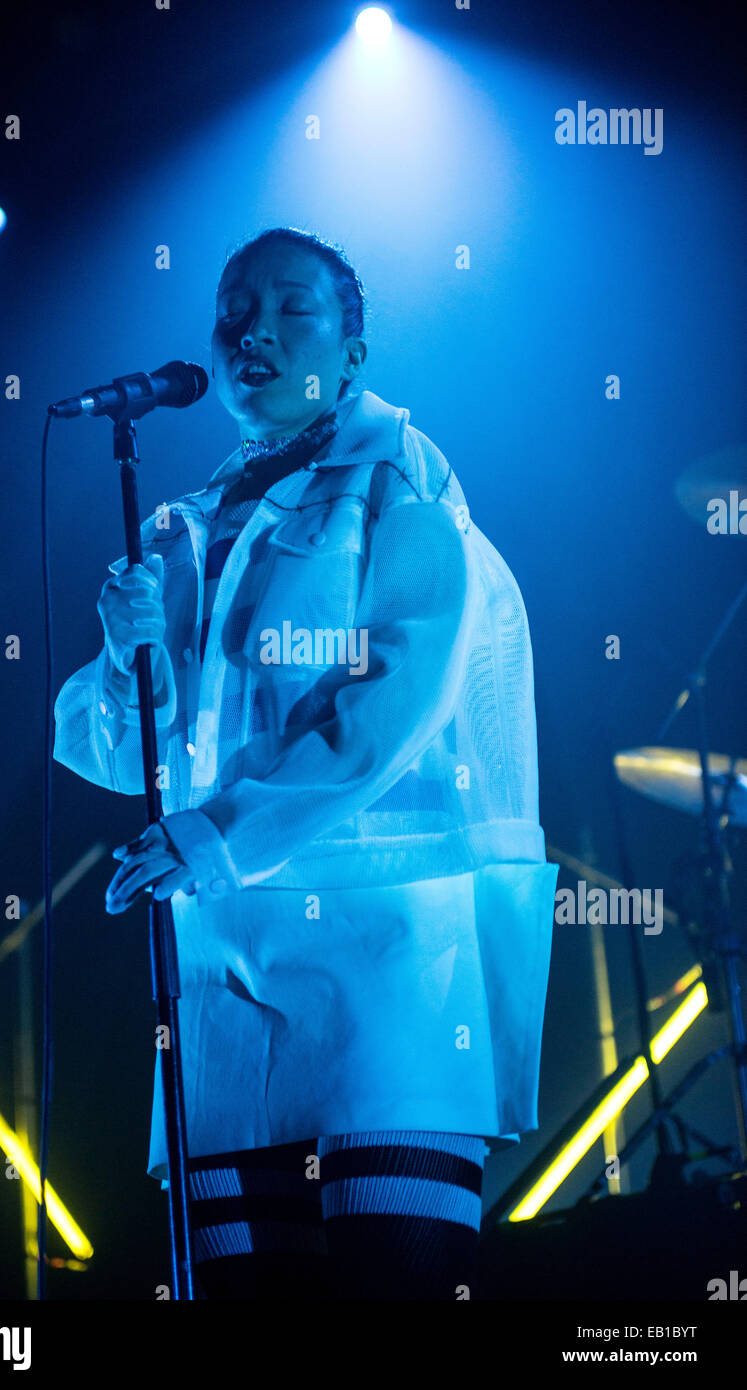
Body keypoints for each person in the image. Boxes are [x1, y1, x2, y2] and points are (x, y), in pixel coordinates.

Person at [53, 226, 558, 1300]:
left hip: (385, 962)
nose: (255, 332)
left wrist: (216, 833)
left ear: (355, 347)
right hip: (228, 965)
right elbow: (112, 748)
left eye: (293, 309)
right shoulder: (186, 529)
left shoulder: (400, 482)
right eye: (236, 310)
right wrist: (122, 651)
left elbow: (398, 704)